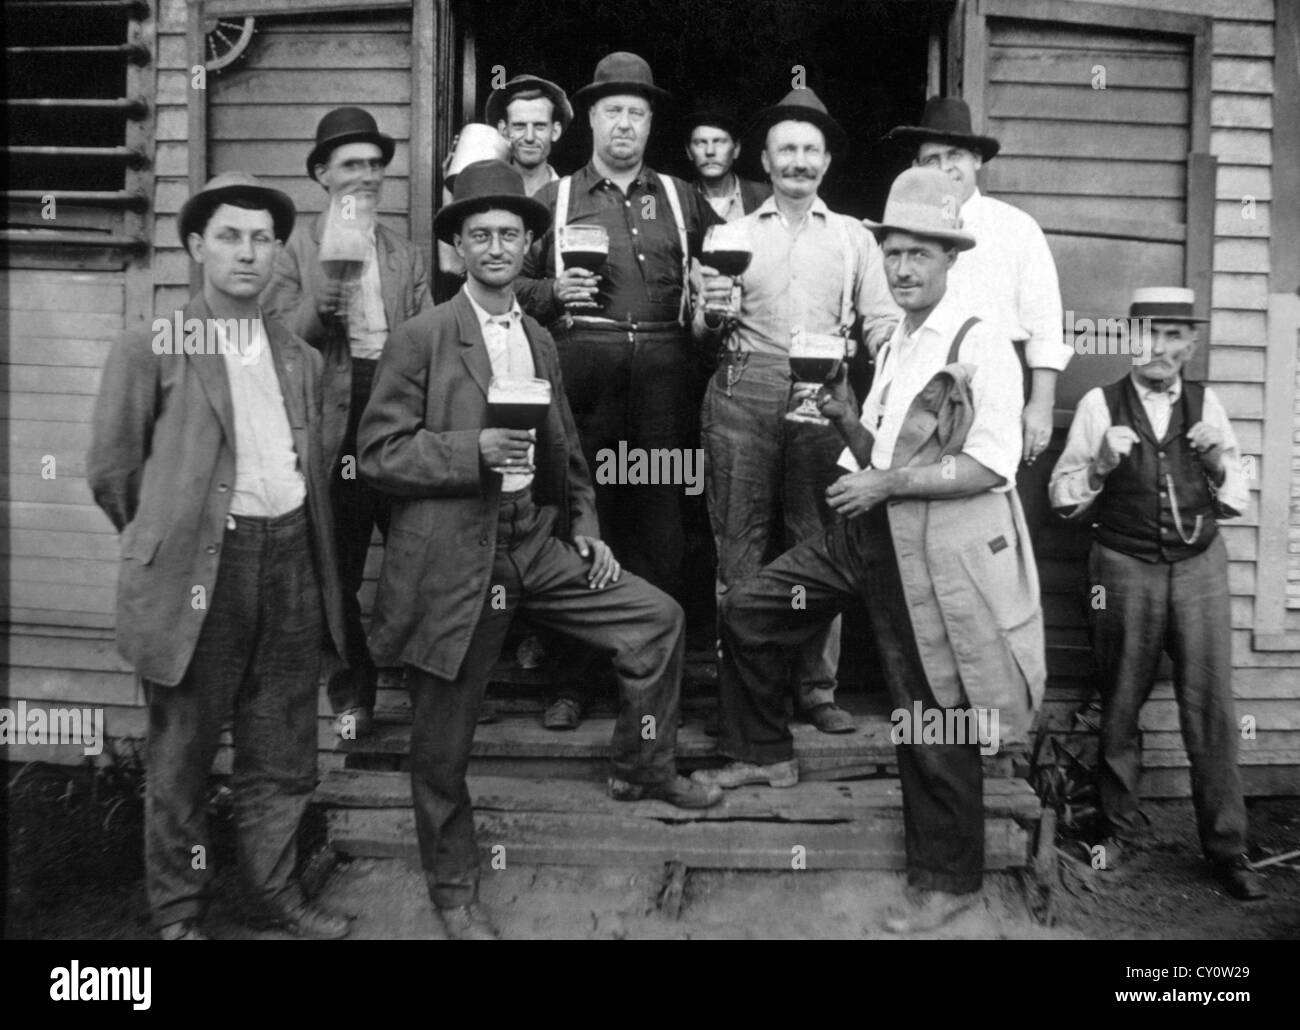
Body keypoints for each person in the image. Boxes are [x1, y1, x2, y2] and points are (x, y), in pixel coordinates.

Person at [357, 160, 723, 940]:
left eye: (510, 234)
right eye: (478, 234)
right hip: (459, 556)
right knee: (443, 742)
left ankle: (643, 766)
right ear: (457, 249)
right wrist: (472, 451)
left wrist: (586, 530)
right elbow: (380, 455)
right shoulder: (422, 337)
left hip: (536, 543)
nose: (495, 246)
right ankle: (454, 890)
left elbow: (572, 451)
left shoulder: (540, 339)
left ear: (530, 249)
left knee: (656, 619)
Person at [695, 168, 1044, 934]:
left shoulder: (981, 342)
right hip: (865, 534)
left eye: (921, 254)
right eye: (894, 254)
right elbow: (876, 447)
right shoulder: (901, 342)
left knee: (932, 714)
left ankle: (949, 879)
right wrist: (849, 418)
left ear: (952, 258)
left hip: (933, 551)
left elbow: (990, 467)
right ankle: (764, 751)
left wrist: (884, 481)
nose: (905, 268)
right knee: (751, 607)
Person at [88, 173, 351, 941]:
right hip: (205, 571)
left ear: (278, 251)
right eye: (231, 236)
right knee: (184, 757)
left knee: (283, 749)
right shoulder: (156, 344)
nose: (248, 252)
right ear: (198, 247)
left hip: (291, 558)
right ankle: (180, 919)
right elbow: (112, 470)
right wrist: (171, 544)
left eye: (263, 238)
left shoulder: (295, 354)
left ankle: (276, 896)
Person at [516, 51, 723, 729]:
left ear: (650, 121)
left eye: (637, 111)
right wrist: (550, 292)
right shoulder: (556, 198)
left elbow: (713, 290)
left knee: (661, 534)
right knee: (583, 523)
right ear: (592, 120)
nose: (625, 123)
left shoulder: (680, 195)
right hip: (584, 385)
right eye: (613, 111)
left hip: (665, 387)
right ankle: (571, 682)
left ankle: (648, 691)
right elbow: (504, 284)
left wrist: (712, 306)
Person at [1048, 287, 1266, 901]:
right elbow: (1062, 498)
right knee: (1119, 698)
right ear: (1128, 339)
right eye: (1149, 334)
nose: (1161, 348)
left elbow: (1237, 498)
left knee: (1212, 708)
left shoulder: (1207, 403)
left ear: (1190, 344)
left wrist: (1218, 459)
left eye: (1175, 336)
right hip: (1122, 563)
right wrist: (1097, 468)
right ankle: (1117, 829)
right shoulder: (1100, 403)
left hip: (1199, 564)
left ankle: (1227, 847)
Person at [698, 87, 898, 734]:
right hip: (743, 386)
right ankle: (744, 691)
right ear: (764, 157)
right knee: (740, 544)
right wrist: (707, 313)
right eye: (786, 148)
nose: (798, 161)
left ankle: (816, 689)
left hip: (825, 393)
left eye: (811, 149)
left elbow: (883, 324)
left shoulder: (855, 239)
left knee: (821, 542)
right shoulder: (729, 234)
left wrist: (898, 374)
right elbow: (699, 330)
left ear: (828, 162)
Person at [263, 106, 433, 740]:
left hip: (396, 408)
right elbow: (282, 345)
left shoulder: (404, 253)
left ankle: (426, 681)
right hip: (331, 416)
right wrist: (321, 302)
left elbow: (426, 335)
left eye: (375, 165)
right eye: (351, 165)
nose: (366, 176)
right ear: (321, 174)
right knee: (334, 566)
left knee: (418, 556)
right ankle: (352, 692)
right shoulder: (294, 253)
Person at [886, 96, 1068, 534]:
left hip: (996, 387)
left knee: (991, 509)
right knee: (924, 503)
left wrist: (1040, 405)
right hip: (928, 387)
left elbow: (1045, 320)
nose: (945, 168)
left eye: (956, 157)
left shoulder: (1015, 227)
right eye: (931, 159)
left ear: (977, 161)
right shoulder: (906, 231)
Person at [487, 73, 573, 197]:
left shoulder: (571, 195)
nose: (529, 137)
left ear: (555, 131)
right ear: (504, 130)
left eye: (539, 126)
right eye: (519, 126)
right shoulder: (489, 194)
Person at [684, 107, 770, 221]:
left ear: (736, 149)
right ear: (689, 152)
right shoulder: (676, 199)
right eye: (700, 143)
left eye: (719, 142)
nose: (710, 151)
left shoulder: (768, 196)